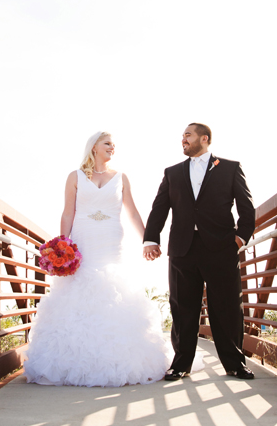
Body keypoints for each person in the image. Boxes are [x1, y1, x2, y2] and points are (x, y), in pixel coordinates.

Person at [24, 131, 171, 386]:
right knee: (78, 290)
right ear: (93, 147)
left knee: (114, 289)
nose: (112, 147)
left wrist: (148, 240)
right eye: (107, 143)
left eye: (114, 144)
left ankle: (117, 360)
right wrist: (61, 245)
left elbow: (133, 212)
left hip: (111, 240)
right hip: (84, 240)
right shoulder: (75, 176)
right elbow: (68, 212)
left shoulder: (121, 177)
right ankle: (73, 361)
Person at [143, 123, 257, 381]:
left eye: (188, 135)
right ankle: (181, 364)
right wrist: (151, 239)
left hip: (221, 247)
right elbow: (159, 208)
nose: (183, 139)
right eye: (182, 136)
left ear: (204, 139)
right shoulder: (172, 173)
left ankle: (235, 364)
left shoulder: (230, 168)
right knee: (182, 308)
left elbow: (246, 208)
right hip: (183, 249)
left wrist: (239, 239)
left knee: (227, 307)